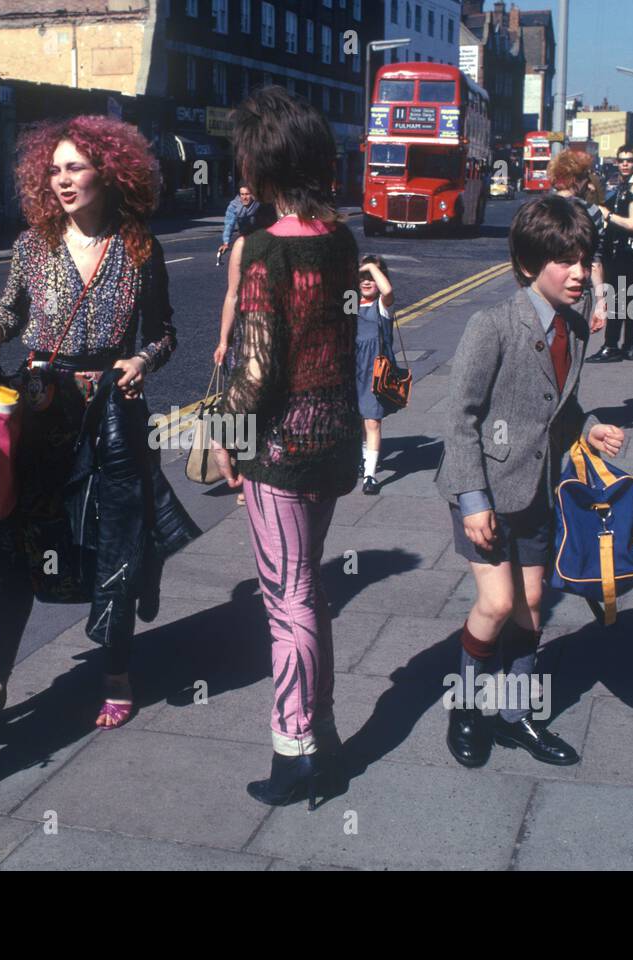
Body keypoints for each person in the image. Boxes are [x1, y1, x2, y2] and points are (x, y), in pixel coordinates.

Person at [0, 114, 196, 736]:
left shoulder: (140, 246)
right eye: (53, 169)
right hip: (39, 411)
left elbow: (166, 333)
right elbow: (11, 307)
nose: (61, 179)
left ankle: (116, 674)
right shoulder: (33, 244)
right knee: (16, 551)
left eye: (75, 167)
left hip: (112, 413)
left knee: (112, 542)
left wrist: (142, 359)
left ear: (109, 172)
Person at [209, 86, 362, 809]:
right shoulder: (341, 240)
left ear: (262, 164)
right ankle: (322, 735)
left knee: (287, 601)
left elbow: (258, 370)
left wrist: (227, 443)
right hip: (333, 440)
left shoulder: (264, 250)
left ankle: (292, 747)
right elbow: (344, 334)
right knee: (311, 592)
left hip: (279, 450)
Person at [435, 196, 626, 769]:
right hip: (485, 493)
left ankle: (514, 714)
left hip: (538, 491)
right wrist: (472, 501)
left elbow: (560, 409)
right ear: (527, 265)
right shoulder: (491, 325)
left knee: (534, 604)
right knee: (495, 603)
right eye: (563, 260)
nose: (578, 272)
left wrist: (589, 428)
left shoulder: (574, 328)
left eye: (584, 259)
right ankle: (468, 709)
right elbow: (459, 417)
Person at [593, 144, 633, 361]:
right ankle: (629, 346)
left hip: (626, 252)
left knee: (619, 300)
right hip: (622, 251)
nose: (625, 163)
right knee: (627, 300)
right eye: (621, 160)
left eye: (629, 160)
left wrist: (607, 215)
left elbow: (632, 223)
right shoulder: (624, 186)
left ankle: (612, 346)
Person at [546, 148, 608, 333]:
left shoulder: (538, 208)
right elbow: (595, 261)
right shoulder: (592, 211)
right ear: (575, 179)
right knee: (570, 355)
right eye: (584, 177)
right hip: (575, 291)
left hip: (543, 290)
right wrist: (600, 302)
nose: (588, 183)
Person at [355, 254, 396, 495]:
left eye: (372, 276)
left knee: (372, 420)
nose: (367, 281)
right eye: (363, 277)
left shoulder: (382, 304)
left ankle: (370, 475)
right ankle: (365, 460)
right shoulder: (351, 301)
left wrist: (369, 264)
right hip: (353, 368)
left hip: (374, 370)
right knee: (359, 419)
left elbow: (388, 289)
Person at [217, 184, 271, 261]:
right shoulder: (234, 206)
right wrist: (226, 243)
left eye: (247, 194)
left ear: (252, 195)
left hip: (260, 237)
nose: (244, 197)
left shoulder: (260, 204)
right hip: (244, 237)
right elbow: (229, 224)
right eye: (242, 194)